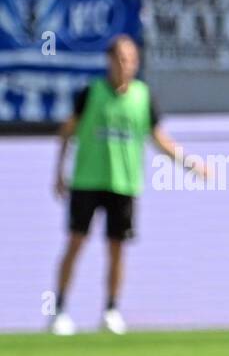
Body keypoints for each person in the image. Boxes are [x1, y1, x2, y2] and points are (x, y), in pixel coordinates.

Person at [51, 36, 204, 336]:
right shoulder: (91, 93)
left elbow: (159, 138)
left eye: (131, 58)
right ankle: (60, 309)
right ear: (109, 61)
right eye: (120, 58)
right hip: (87, 180)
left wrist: (189, 163)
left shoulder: (143, 97)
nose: (125, 64)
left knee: (117, 248)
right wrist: (59, 172)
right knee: (76, 242)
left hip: (124, 184)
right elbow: (67, 131)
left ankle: (110, 310)